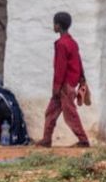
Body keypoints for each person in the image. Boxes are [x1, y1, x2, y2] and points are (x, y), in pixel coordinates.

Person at [38, 12, 89, 147]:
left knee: (69, 114)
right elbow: (78, 61)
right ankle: (46, 139)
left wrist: (56, 87)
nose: (53, 26)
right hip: (71, 83)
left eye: (54, 23)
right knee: (51, 112)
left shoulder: (61, 44)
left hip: (64, 85)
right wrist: (82, 77)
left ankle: (83, 140)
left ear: (58, 26)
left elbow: (60, 68)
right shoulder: (72, 42)